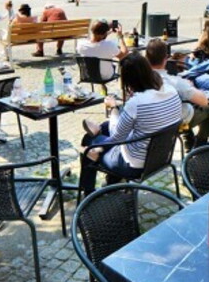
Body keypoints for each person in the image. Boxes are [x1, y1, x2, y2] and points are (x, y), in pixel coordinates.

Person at [78, 52, 182, 195]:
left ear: (128, 80)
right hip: (160, 157)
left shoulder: (136, 103)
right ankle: (111, 182)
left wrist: (113, 107)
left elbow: (116, 138)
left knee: (90, 141)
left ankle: (88, 193)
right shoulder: (171, 91)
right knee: (105, 127)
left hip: (134, 165)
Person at [145, 39, 209, 149]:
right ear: (166, 59)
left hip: (153, 125)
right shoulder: (174, 82)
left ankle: (189, 140)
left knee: (185, 104)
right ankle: (201, 143)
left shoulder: (140, 79)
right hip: (174, 123)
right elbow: (203, 101)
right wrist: (190, 86)